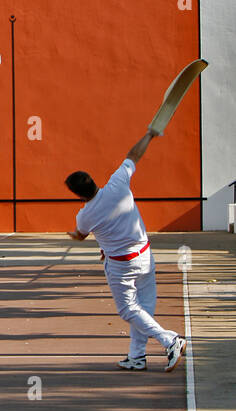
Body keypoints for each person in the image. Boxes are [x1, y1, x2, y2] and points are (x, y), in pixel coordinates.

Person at [66, 130, 186, 372]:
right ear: (93, 180)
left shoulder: (85, 215)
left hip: (121, 265)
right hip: (145, 255)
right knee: (144, 306)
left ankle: (169, 340)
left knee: (129, 309)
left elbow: (80, 235)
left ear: (78, 195)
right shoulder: (118, 183)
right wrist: (150, 135)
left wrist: (74, 236)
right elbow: (134, 154)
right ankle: (136, 356)